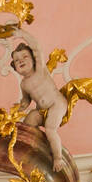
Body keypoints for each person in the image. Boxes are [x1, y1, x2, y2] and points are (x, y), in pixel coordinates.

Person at [10, 31, 68, 172]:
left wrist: (22, 34)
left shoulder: (40, 70)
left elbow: (36, 47)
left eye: (25, 57)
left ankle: (58, 158)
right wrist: (16, 111)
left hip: (57, 104)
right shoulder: (24, 84)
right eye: (17, 60)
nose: (21, 61)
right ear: (15, 68)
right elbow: (25, 102)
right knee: (27, 123)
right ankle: (33, 149)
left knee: (50, 128)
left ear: (34, 60)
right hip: (42, 110)